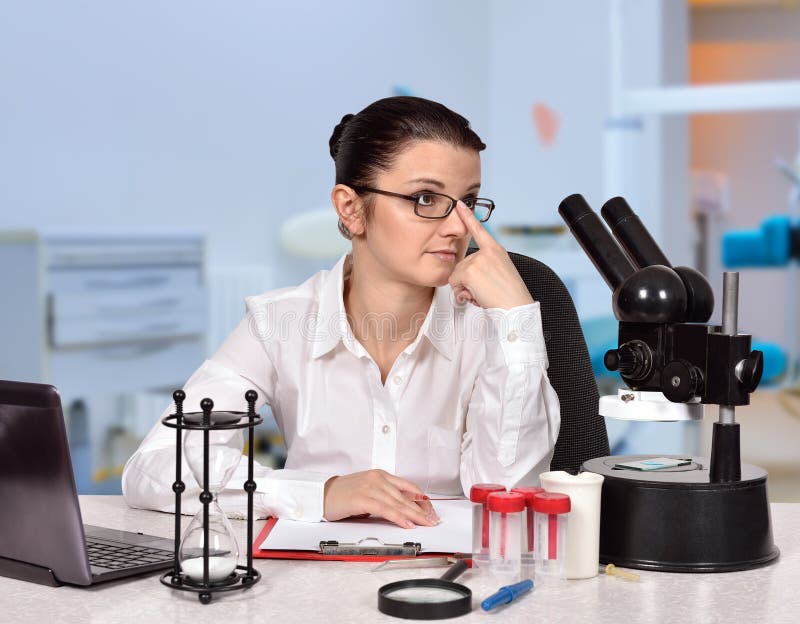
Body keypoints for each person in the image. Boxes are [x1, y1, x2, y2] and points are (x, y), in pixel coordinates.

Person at [122, 96, 560, 528]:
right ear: (350, 208)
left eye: (469, 201)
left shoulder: (492, 330)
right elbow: (156, 469)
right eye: (426, 198)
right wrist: (322, 493)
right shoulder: (279, 323)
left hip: (450, 582)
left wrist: (515, 320)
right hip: (308, 582)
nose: (457, 227)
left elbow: (506, 493)